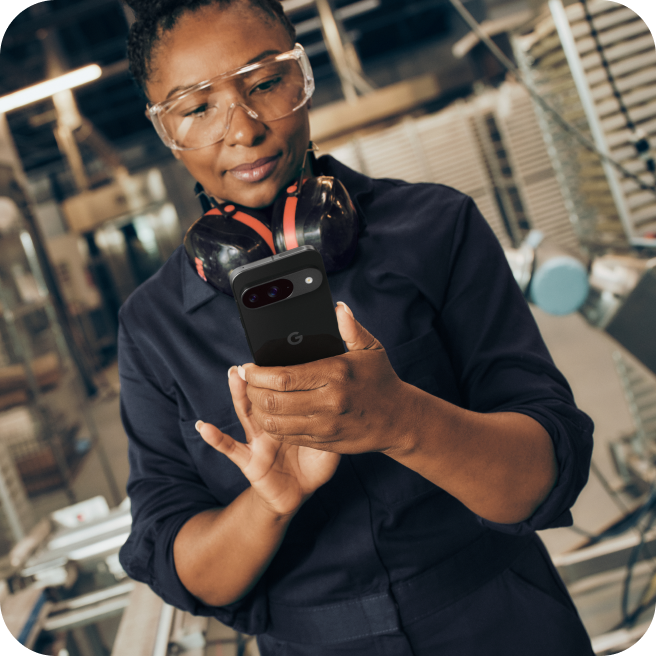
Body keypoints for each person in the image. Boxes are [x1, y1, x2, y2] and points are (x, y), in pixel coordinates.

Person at [117, 1, 596, 654]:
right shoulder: (154, 324)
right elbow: (185, 570)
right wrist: (269, 504)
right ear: (164, 129)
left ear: (302, 75)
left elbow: (544, 473)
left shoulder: (436, 226)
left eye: (263, 83)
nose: (243, 129)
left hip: (502, 619)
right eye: (196, 109)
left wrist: (401, 418)